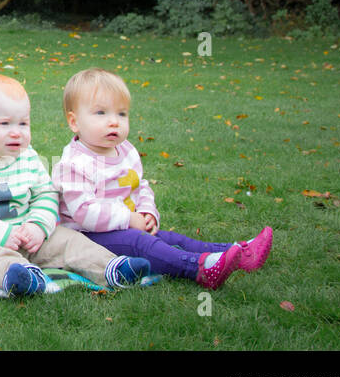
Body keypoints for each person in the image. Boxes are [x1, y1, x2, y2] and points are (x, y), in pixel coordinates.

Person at [52, 68, 273, 289]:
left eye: (121, 114)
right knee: (142, 244)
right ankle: (199, 268)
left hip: (126, 225)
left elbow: (140, 186)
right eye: (101, 113)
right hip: (88, 236)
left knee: (173, 239)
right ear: (74, 122)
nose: (114, 122)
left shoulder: (125, 151)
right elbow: (83, 212)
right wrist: (129, 219)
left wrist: (148, 213)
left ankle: (236, 252)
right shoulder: (74, 163)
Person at [0, 74, 151, 295]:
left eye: (23, 123)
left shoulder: (27, 156)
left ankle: (110, 268)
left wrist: (38, 226)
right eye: (4, 123)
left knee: (69, 241)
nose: (16, 132)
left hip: (27, 235)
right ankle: (19, 276)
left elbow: (46, 194)